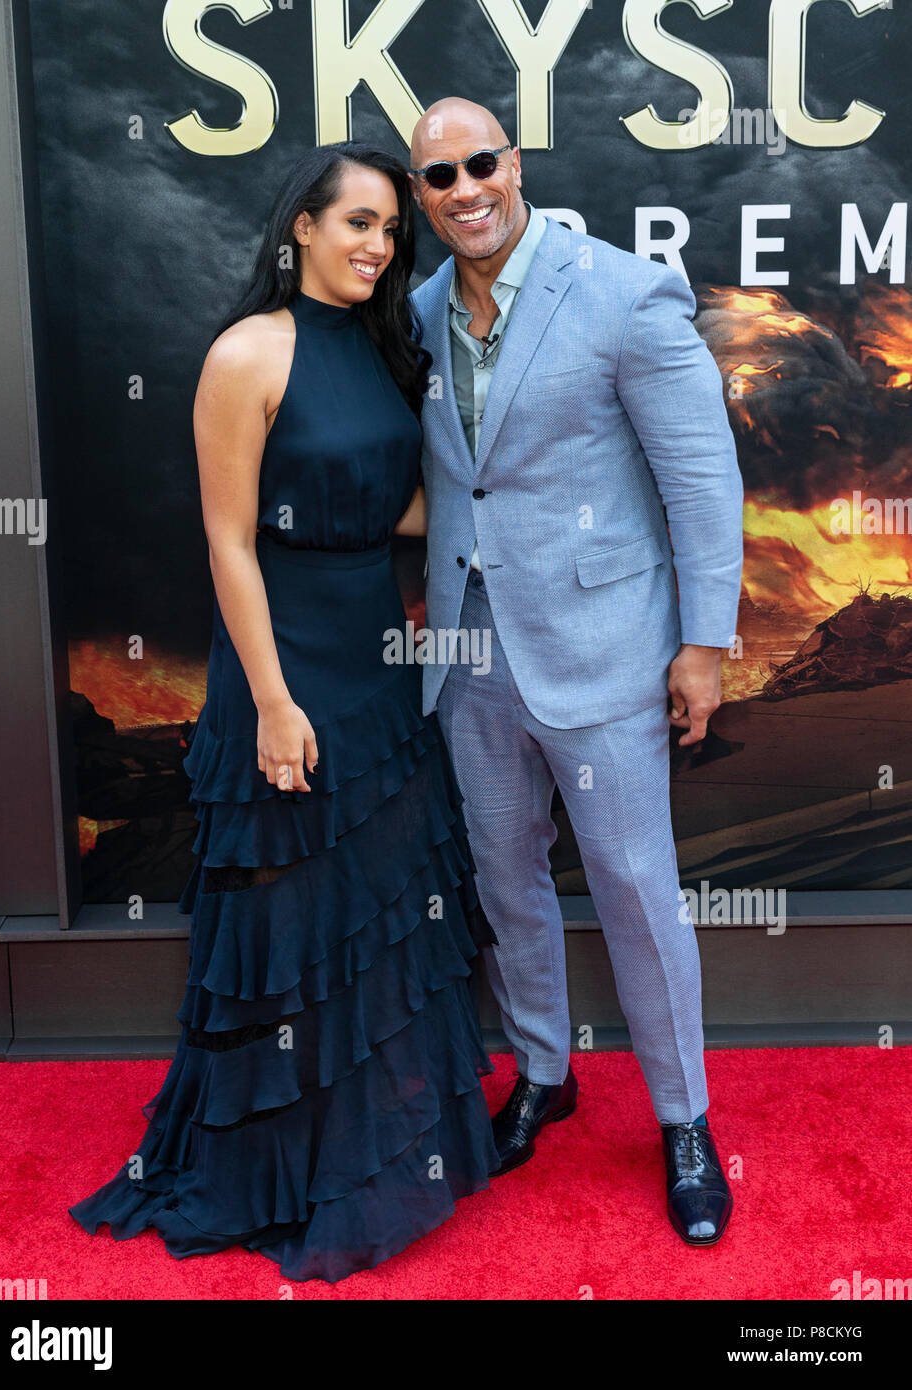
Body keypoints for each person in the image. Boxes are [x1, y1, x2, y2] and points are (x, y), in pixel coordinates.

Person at [68, 141, 499, 1283]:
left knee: (372, 906)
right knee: (280, 913)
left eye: (389, 231)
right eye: (356, 222)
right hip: (285, 654)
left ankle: (358, 1146)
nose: (378, 245)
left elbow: (409, 507)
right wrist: (269, 699)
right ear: (297, 228)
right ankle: (268, 1164)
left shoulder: (388, 343)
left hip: (380, 653)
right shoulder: (248, 351)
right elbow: (225, 536)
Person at [407, 98, 744, 1245]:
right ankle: (544, 1074)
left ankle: (685, 1119)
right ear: (421, 194)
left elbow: (701, 477)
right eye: (438, 175)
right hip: (470, 656)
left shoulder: (622, 289)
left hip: (605, 654)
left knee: (639, 894)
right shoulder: (413, 314)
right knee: (506, 885)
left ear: (517, 162)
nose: (465, 189)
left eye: (480, 163)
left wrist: (703, 645)